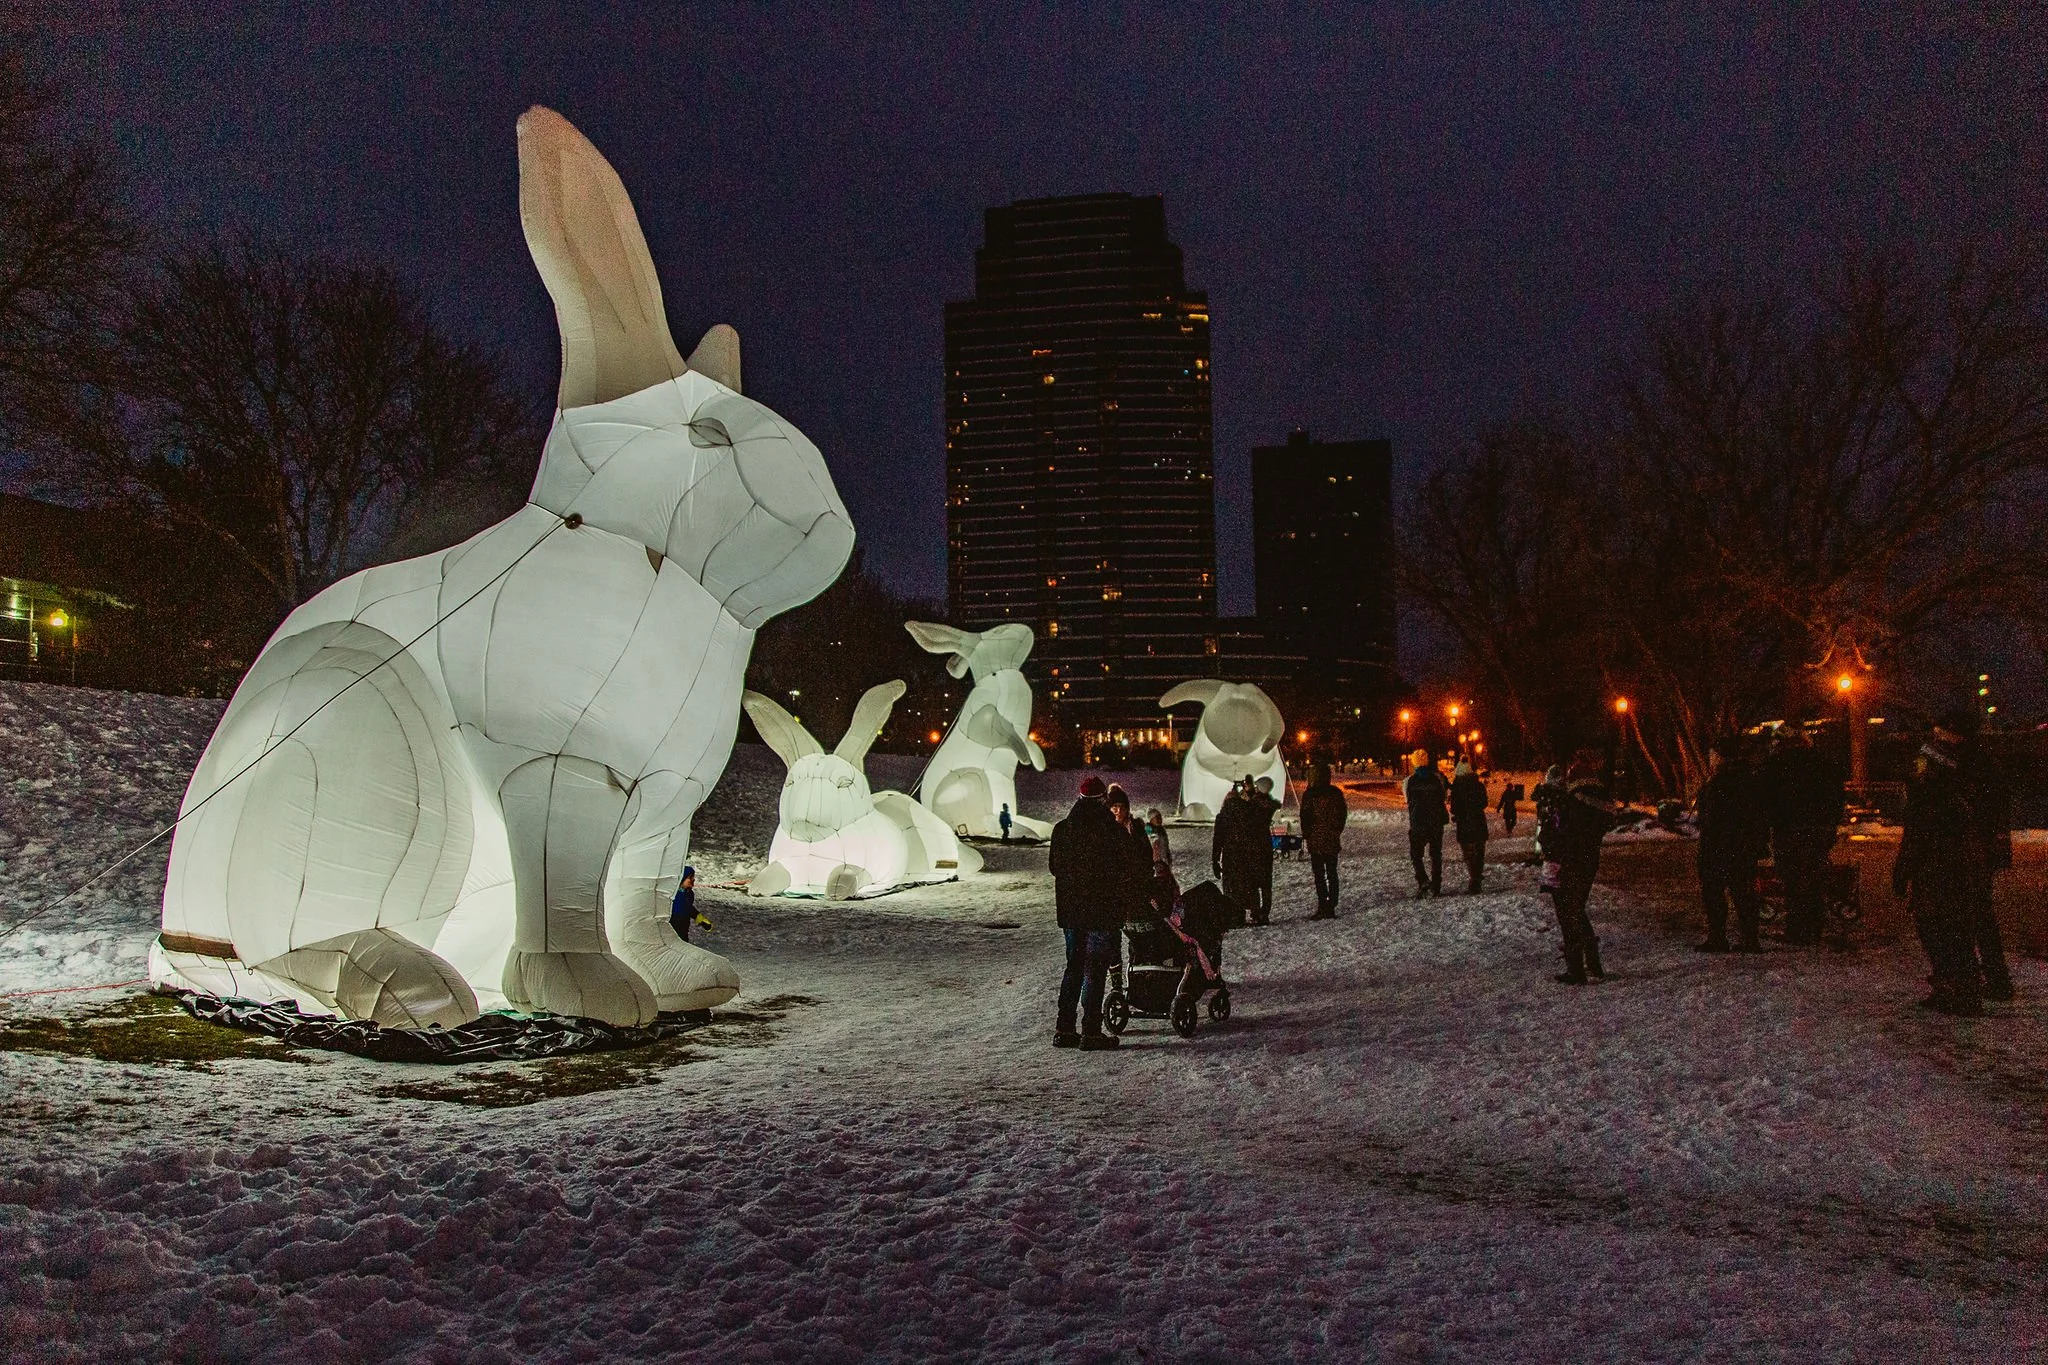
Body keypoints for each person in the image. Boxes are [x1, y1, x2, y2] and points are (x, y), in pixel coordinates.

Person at [1893, 722, 1988, 1016]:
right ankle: (1954, 988)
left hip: (1940, 877)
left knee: (1945, 934)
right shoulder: (1948, 798)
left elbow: (1917, 839)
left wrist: (1903, 871)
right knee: (1947, 934)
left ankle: (1961, 991)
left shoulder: (1935, 800)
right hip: (1945, 876)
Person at [1048, 775, 1126, 1050]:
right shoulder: (1112, 832)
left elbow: (1054, 868)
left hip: (1071, 913)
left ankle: (1064, 1028)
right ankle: (1091, 1031)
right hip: (1101, 912)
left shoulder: (1062, 830)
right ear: (1103, 799)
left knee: (1074, 967)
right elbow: (1123, 869)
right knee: (1095, 969)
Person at [1951, 714, 2016, 1002]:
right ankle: (1992, 976)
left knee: (1973, 912)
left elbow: (1977, 808)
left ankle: (1986, 978)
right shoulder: (1984, 761)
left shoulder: (1969, 763)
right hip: (1983, 847)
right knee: (1979, 912)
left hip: (1975, 847)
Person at [1763, 729, 1846, 946]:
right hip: (1820, 828)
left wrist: (1772, 821)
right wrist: (1831, 823)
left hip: (1789, 828)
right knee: (1814, 876)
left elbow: (1767, 796)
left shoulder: (1778, 764)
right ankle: (1815, 926)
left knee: (1793, 878)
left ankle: (1797, 928)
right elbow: (1837, 796)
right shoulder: (1825, 764)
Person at [1550, 751, 1619, 984]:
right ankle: (1591, 961)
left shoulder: (1575, 801)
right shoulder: (1597, 799)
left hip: (1572, 858)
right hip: (1589, 858)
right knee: (1576, 908)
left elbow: (1562, 833)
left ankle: (1576, 968)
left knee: (1568, 909)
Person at [1695, 738, 1767, 953]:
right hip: (1743, 846)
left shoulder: (1720, 783)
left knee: (1715, 892)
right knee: (1744, 892)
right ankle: (1750, 938)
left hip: (1719, 846)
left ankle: (1718, 936)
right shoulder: (1750, 780)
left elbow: (1713, 818)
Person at [1213, 777, 1267, 926]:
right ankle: (1255, 912)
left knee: (1232, 887)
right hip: (1246, 854)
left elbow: (1217, 840)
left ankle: (1236, 916)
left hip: (1230, 856)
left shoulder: (1222, 816)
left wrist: (1215, 860)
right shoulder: (1247, 812)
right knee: (1249, 885)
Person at [1298, 762, 1348, 918]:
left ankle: (1323, 903)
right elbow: (1342, 814)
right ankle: (1332, 903)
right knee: (1332, 872)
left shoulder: (1310, 795)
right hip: (1331, 838)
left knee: (1319, 874)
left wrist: (1307, 834)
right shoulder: (1335, 793)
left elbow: (1305, 817)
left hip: (1316, 839)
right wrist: (1336, 830)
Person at [1403, 750, 1449, 897]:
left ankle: (1423, 880)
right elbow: (1443, 797)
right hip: (1436, 821)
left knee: (1416, 854)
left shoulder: (1409, 781)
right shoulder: (1437, 779)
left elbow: (1407, 800)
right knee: (1436, 854)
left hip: (1418, 821)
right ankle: (1436, 885)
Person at [1449, 760, 1489, 893]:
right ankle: (1477, 877)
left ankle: (1474, 879)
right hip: (1479, 822)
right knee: (1479, 852)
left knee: (1469, 854)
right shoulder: (1479, 785)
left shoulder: (1457, 787)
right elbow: (1484, 803)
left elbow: (1454, 808)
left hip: (1464, 824)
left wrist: (1461, 812)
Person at [1248, 775, 1280, 923]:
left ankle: (1256, 911)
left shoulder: (1254, 804)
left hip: (1254, 842)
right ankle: (1265, 911)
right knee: (1266, 882)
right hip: (1265, 843)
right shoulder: (1270, 804)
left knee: (1253, 880)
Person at [669, 865, 710, 942]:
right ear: (682, 878)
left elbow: (688, 908)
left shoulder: (689, 894)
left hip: (683, 928)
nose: (693, 879)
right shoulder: (671, 894)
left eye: (693, 877)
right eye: (690, 877)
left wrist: (699, 918)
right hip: (670, 929)